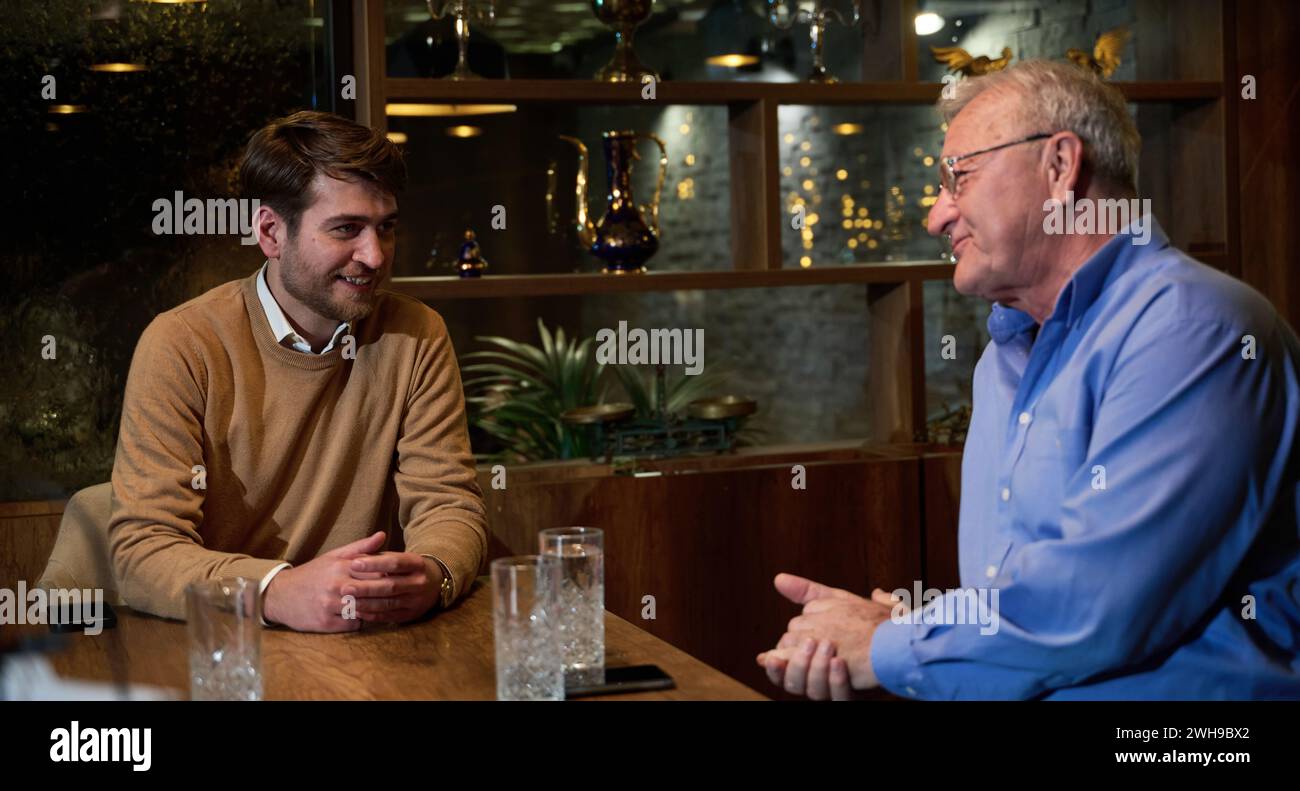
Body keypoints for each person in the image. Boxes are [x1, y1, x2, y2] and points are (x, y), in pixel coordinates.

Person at [758, 60, 1300, 700]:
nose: (936, 217)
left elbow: (1096, 608)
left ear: (1060, 166)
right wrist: (915, 628)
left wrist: (886, 644)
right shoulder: (1003, 358)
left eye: (957, 178)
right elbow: (1033, 593)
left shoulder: (1192, 328)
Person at [108, 111, 486, 632]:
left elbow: (449, 505)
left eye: (386, 228)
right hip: (229, 644)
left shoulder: (417, 334)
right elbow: (141, 552)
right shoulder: (182, 344)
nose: (375, 256)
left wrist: (435, 572)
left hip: (370, 639)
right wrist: (276, 591)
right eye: (346, 229)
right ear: (271, 232)